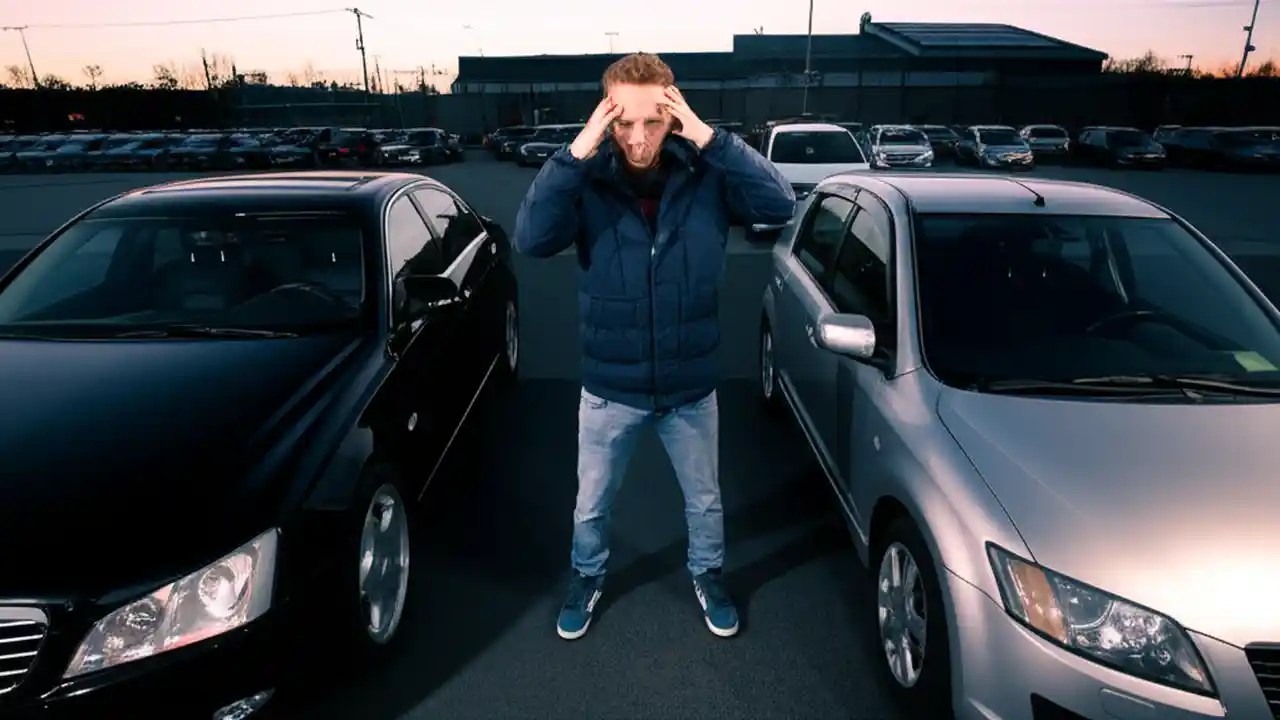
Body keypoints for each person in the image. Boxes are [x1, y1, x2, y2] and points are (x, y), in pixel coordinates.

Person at [512, 52, 795, 640]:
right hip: (609, 389)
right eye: (622, 122)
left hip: (689, 388)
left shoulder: (707, 173)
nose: (637, 137)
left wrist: (712, 139)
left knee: (705, 502)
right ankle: (587, 576)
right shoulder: (587, 179)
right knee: (591, 505)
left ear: (674, 113)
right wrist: (576, 151)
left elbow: (779, 204)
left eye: (653, 120)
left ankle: (708, 575)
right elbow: (532, 238)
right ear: (605, 117)